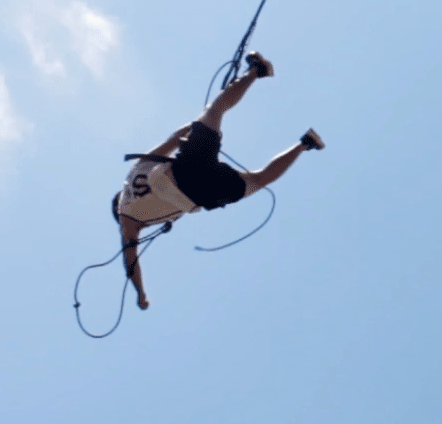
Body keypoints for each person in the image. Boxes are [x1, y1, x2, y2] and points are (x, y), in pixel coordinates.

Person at [113, 52, 323, 309]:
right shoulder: (135, 171)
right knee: (215, 112)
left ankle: (306, 143)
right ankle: (258, 71)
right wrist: (200, 125)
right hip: (185, 170)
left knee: (259, 179)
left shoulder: (127, 220)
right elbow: (174, 139)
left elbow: (130, 259)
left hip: (200, 193)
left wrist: (140, 293)